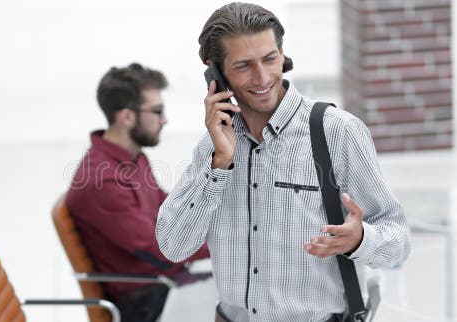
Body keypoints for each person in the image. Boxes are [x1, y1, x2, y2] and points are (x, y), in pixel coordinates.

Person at [155, 3, 411, 321]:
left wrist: (360, 239)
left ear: (282, 53)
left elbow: (398, 239)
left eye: (270, 58)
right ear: (216, 72)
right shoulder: (212, 146)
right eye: (244, 65)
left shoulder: (338, 132)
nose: (262, 77)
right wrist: (219, 164)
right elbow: (173, 246)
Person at [66, 63, 210, 322]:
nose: (164, 119)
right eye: (157, 111)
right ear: (127, 117)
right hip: (146, 300)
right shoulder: (102, 180)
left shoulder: (133, 156)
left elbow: (166, 207)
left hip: (162, 278)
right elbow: (159, 249)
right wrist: (222, 242)